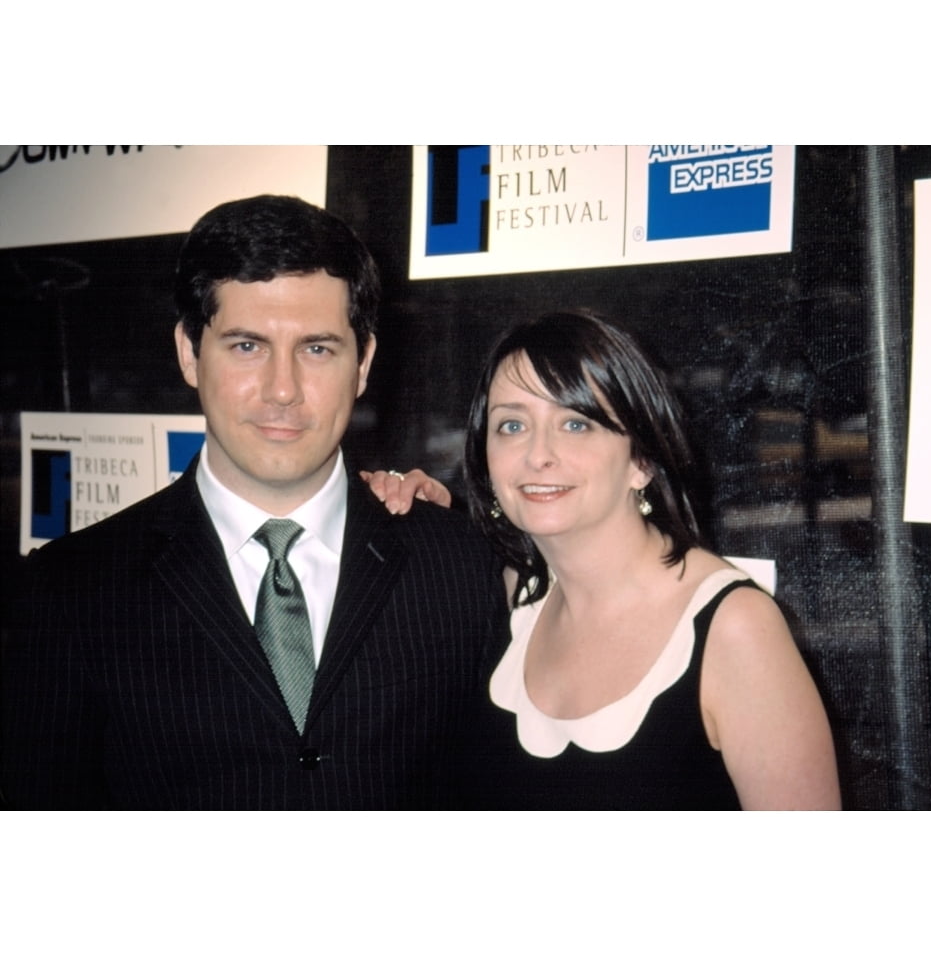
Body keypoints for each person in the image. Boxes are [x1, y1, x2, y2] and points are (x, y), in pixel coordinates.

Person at [1, 194, 508, 810]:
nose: (282, 390)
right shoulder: (71, 591)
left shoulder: (460, 565)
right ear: (189, 352)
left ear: (363, 363)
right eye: (247, 346)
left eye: (317, 348)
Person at [371, 311, 841, 809]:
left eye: (576, 424)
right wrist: (405, 516)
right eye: (512, 425)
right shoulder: (506, 601)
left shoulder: (735, 629)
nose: (538, 454)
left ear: (642, 460)